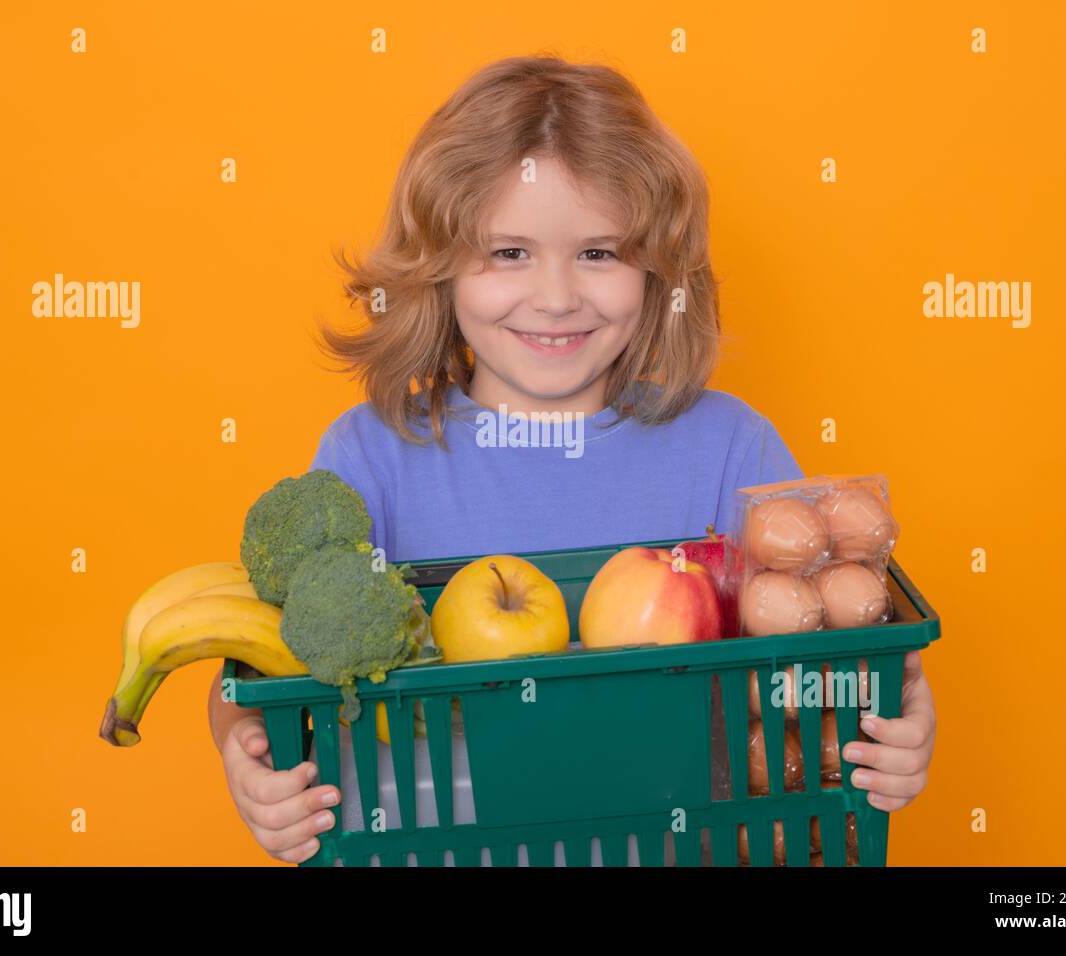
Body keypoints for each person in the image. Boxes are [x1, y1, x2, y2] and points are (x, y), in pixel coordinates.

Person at [207, 54, 936, 865]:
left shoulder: (733, 449)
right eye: (508, 253)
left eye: (599, 253)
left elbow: (826, 660)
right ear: (440, 269)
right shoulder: (372, 456)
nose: (556, 298)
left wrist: (895, 726)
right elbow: (266, 658)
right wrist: (246, 752)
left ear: (658, 274)